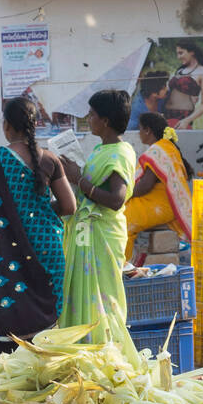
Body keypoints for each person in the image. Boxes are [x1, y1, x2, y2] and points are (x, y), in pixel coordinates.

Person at [0, 95, 77, 352]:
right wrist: (36, 213)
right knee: (46, 327)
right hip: (47, 251)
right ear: (35, 124)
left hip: (8, 254)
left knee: (9, 304)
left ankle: (3, 367)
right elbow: (69, 207)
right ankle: (44, 371)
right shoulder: (49, 160)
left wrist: (10, 217)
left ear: (6, 126)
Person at [57, 89, 138, 360]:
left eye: (91, 114)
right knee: (86, 297)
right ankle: (84, 353)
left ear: (105, 120)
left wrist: (78, 179)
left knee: (105, 298)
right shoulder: (101, 150)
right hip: (88, 233)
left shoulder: (120, 153)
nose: (88, 119)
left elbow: (116, 199)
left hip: (103, 235)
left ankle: (108, 355)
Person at [123, 112, 193, 262]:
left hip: (162, 205)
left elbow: (145, 186)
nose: (139, 133)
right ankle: (135, 258)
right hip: (163, 202)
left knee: (122, 221)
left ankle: (124, 265)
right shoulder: (166, 147)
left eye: (140, 129)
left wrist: (124, 194)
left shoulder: (158, 150)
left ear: (147, 130)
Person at [165, 43, 203, 130]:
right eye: (177, 53)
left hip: (182, 118)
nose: (178, 57)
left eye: (181, 53)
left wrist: (187, 120)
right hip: (166, 115)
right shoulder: (181, 70)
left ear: (192, 52)